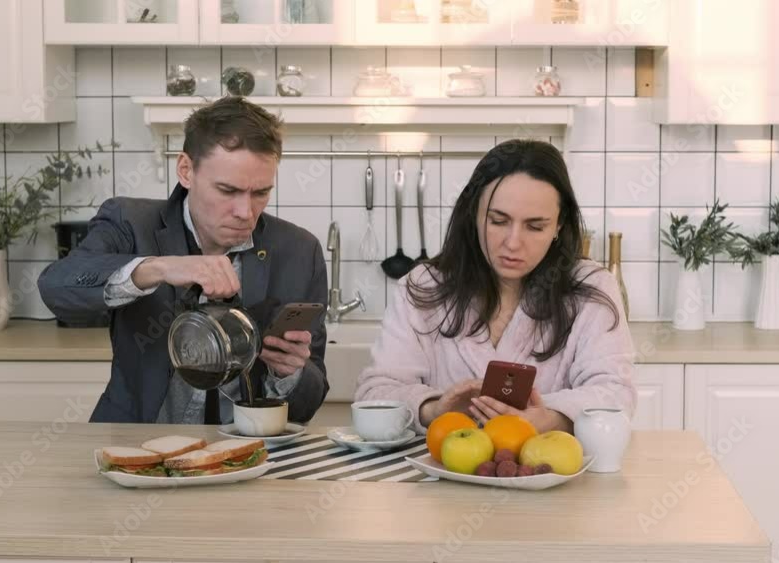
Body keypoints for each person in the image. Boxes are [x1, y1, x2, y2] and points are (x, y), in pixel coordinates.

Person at [38, 96, 329, 425]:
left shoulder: (301, 251)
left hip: (248, 457)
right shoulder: (130, 221)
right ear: (186, 170)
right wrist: (158, 267)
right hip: (136, 450)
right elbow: (55, 287)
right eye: (227, 190)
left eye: (260, 192)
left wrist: (290, 375)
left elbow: (309, 402)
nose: (245, 212)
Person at [355, 139, 635, 435]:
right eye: (498, 221)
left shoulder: (590, 288)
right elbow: (376, 393)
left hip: (547, 473)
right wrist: (433, 409)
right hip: (439, 473)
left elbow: (615, 393)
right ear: (474, 214)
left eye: (535, 226)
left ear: (559, 226)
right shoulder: (424, 286)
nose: (513, 243)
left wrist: (549, 417)